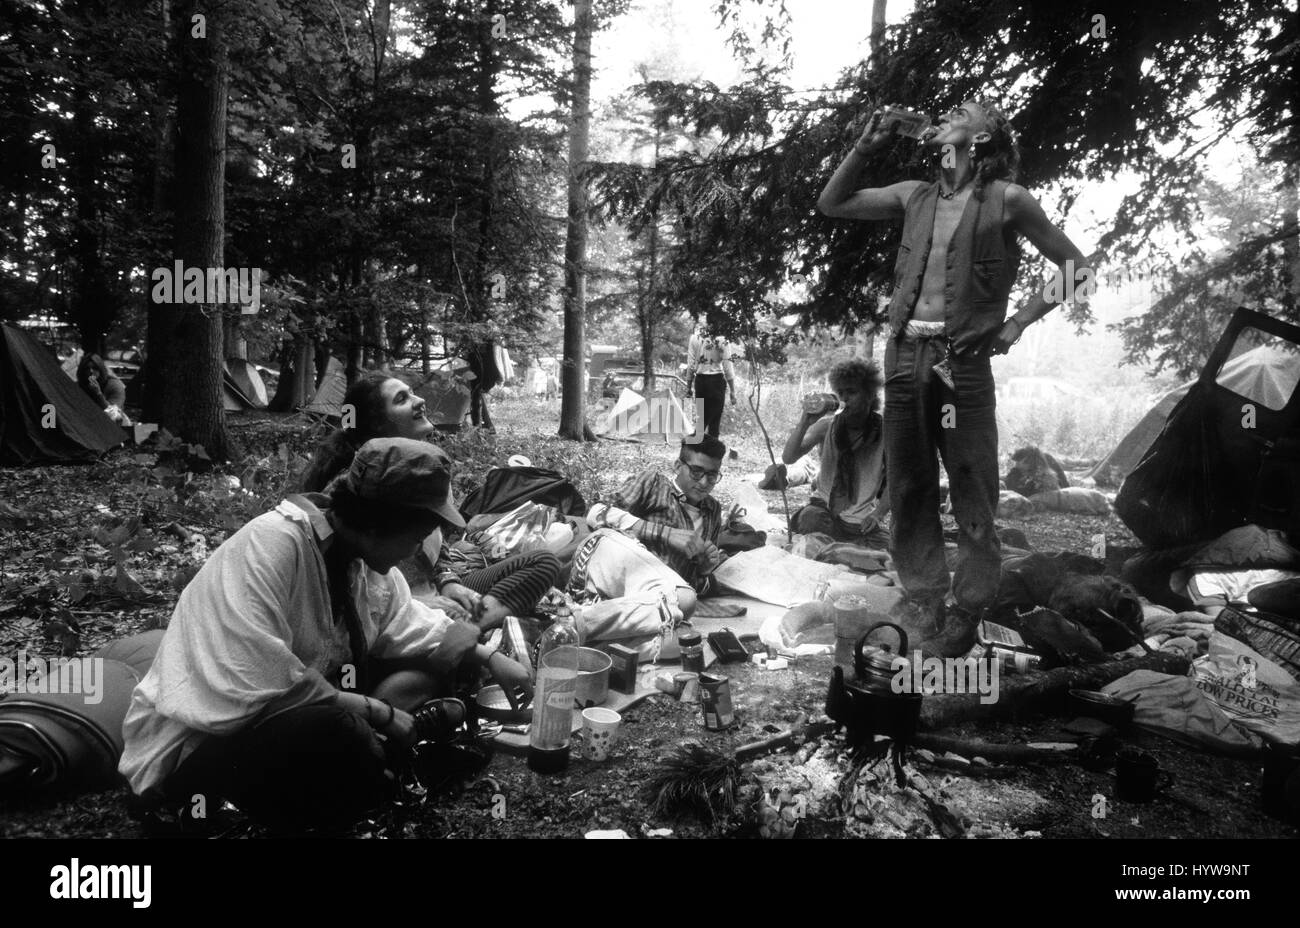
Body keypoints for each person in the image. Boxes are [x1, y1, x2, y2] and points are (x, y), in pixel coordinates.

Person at [119, 438, 533, 833]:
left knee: (438, 663)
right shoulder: (272, 545)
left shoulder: (356, 557)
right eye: (414, 538)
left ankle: (381, 756)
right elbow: (253, 681)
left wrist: (490, 657)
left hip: (300, 709)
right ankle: (379, 757)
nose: (414, 552)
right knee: (337, 733)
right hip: (204, 741)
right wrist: (377, 712)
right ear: (377, 525)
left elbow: (408, 622)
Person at [818, 98, 1093, 653]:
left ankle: (968, 610)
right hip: (904, 359)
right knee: (912, 484)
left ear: (984, 137)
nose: (945, 113)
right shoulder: (912, 195)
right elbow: (833, 202)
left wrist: (1015, 324)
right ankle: (923, 599)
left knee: (972, 484)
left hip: (962, 362)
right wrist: (864, 148)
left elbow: (1079, 268)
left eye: (964, 110)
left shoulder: (1007, 200)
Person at [299, 371, 560, 631]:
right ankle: (462, 632)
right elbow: (353, 570)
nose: (419, 400)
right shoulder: (365, 484)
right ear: (377, 423)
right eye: (401, 399)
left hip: (431, 589)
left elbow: (436, 538)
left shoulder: (427, 468)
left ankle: (466, 627)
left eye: (411, 392)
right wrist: (417, 604)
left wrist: (449, 581)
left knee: (543, 562)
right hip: (387, 606)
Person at [562, 436, 730, 659]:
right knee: (684, 601)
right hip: (606, 556)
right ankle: (568, 627)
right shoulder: (655, 483)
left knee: (683, 640)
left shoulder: (712, 510)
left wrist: (705, 569)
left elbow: (694, 584)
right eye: (697, 472)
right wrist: (666, 533)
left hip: (646, 598)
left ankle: (574, 646)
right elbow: (596, 514)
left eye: (712, 475)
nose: (704, 482)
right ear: (678, 466)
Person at [782, 359, 890, 547]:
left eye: (852, 392)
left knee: (894, 550)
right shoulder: (827, 426)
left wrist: (878, 513)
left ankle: (843, 546)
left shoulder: (885, 433)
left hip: (859, 519)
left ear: (870, 394)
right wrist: (805, 422)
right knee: (811, 520)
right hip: (824, 507)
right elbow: (788, 457)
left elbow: (897, 479)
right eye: (842, 393)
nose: (845, 399)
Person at [684, 325, 738, 438]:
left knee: (701, 421)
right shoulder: (722, 339)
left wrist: (688, 387)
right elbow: (728, 365)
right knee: (714, 422)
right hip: (717, 382)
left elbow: (691, 364)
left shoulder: (694, 338)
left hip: (700, 382)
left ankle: (693, 452)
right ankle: (710, 454)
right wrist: (733, 391)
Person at [77, 350, 131, 425]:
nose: (91, 371)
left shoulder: (114, 385)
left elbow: (114, 415)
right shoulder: (79, 386)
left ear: (100, 369)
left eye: (95, 368)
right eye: (87, 368)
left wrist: (98, 394)